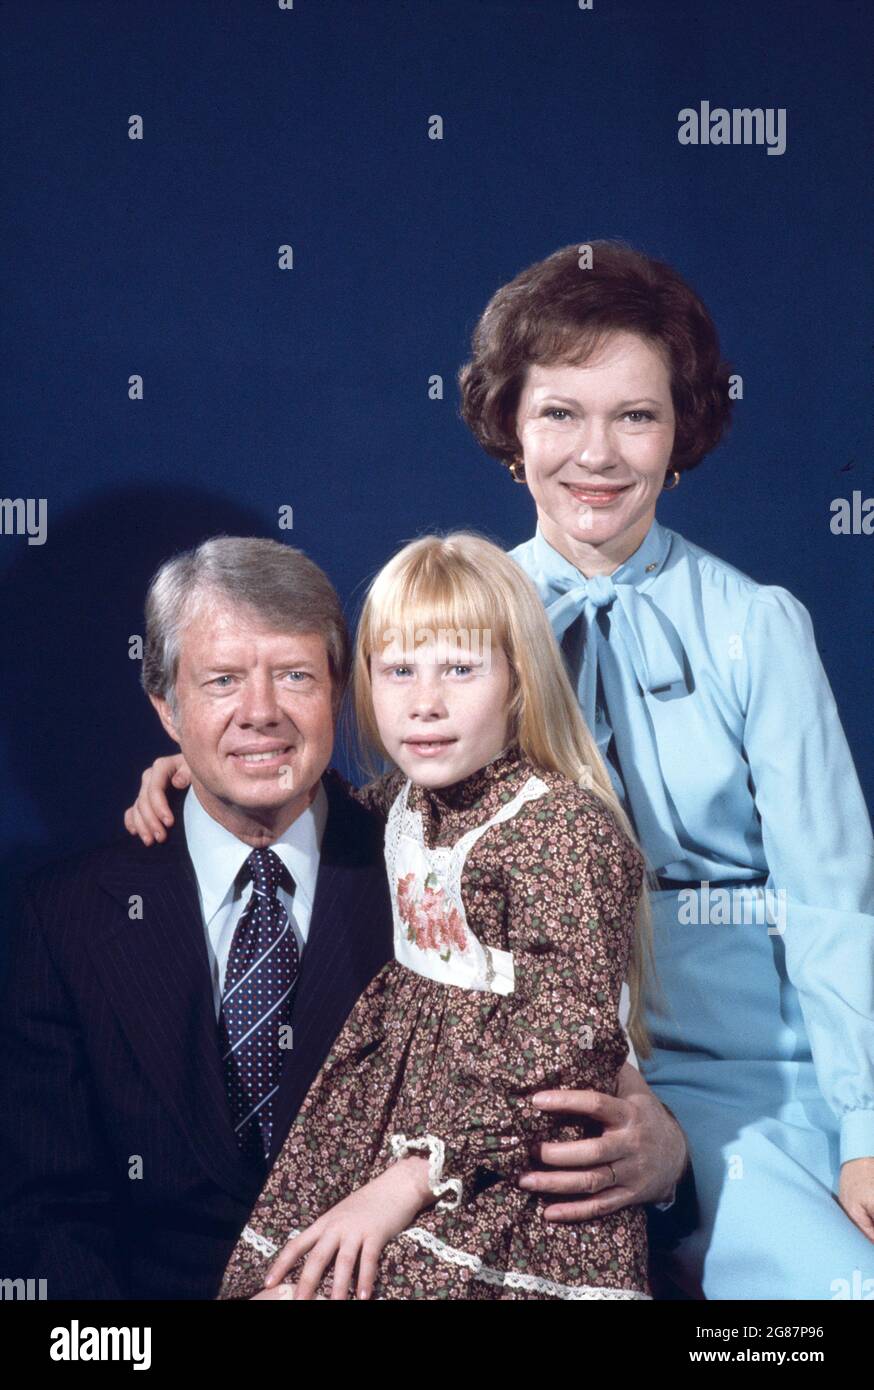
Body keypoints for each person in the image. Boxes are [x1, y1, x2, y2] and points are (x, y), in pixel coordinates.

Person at [456, 238, 874, 1298]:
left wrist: (866, 1122)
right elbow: (390, 831)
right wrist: (222, 789)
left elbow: (833, 897)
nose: (596, 454)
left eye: (634, 416)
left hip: (748, 1071)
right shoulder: (458, 618)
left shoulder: (755, 626)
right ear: (510, 426)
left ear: (681, 431)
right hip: (532, 1067)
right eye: (560, 412)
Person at [218, 532, 651, 1299]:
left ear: (518, 681)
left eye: (459, 668)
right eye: (399, 671)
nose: (425, 701)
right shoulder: (403, 805)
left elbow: (568, 1035)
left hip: (508, 1158)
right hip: (383, 1133)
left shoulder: (562, 831)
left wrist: (407, 1183)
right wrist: (196, 771)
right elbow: (312, 813)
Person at [0, 538, 393, 1298]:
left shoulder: (425, 877)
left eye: (295, 676)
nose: (262, 712)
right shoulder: (65, 918)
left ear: (339, 692)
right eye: (222, 680)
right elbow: (49, 1210)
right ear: (165, 706)